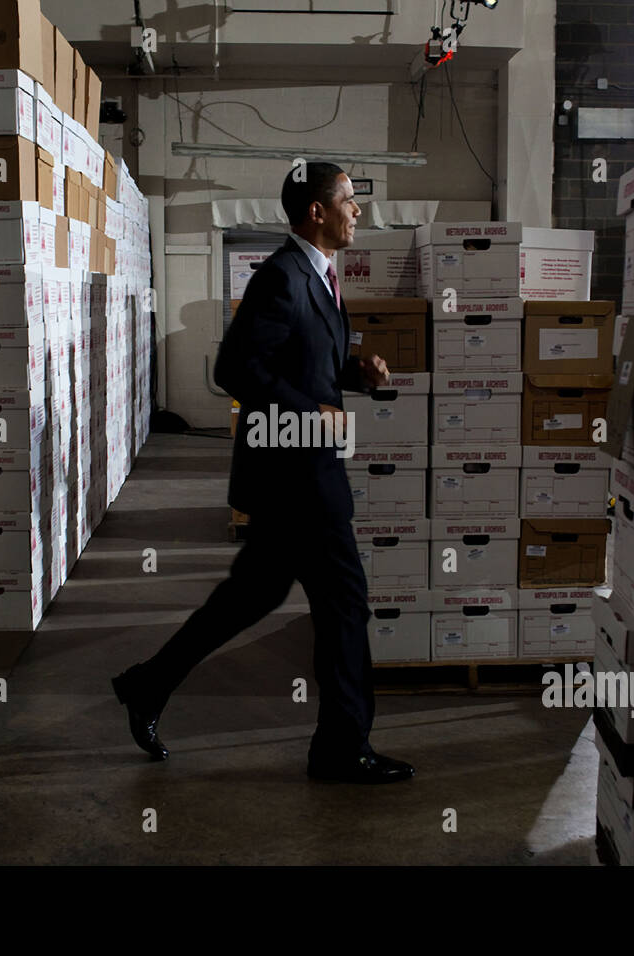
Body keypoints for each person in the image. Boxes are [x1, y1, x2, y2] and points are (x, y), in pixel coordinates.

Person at [111, 162, 416, 784]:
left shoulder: (319, 276)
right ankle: (341, 747)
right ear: (316, 212)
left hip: (294, 474)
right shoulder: (281, 277)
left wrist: (356, 373)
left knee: (248, 597)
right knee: (345, 605)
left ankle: (147, 685)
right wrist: (316, 411)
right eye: (350, 201)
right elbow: (236, 370)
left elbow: (300, 361)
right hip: (297, 476)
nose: (358, 211)